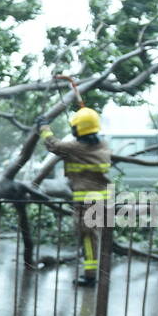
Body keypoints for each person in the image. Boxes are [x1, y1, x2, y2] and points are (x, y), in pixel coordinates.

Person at [39, 107, 112, 287]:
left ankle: (90, 276)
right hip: (102, 200)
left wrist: (43, 128)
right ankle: (95, 273)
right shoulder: (102, 145)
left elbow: (52, 145)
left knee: (88, 237)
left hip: (86, 202)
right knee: (94, 237)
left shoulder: (76, 148)